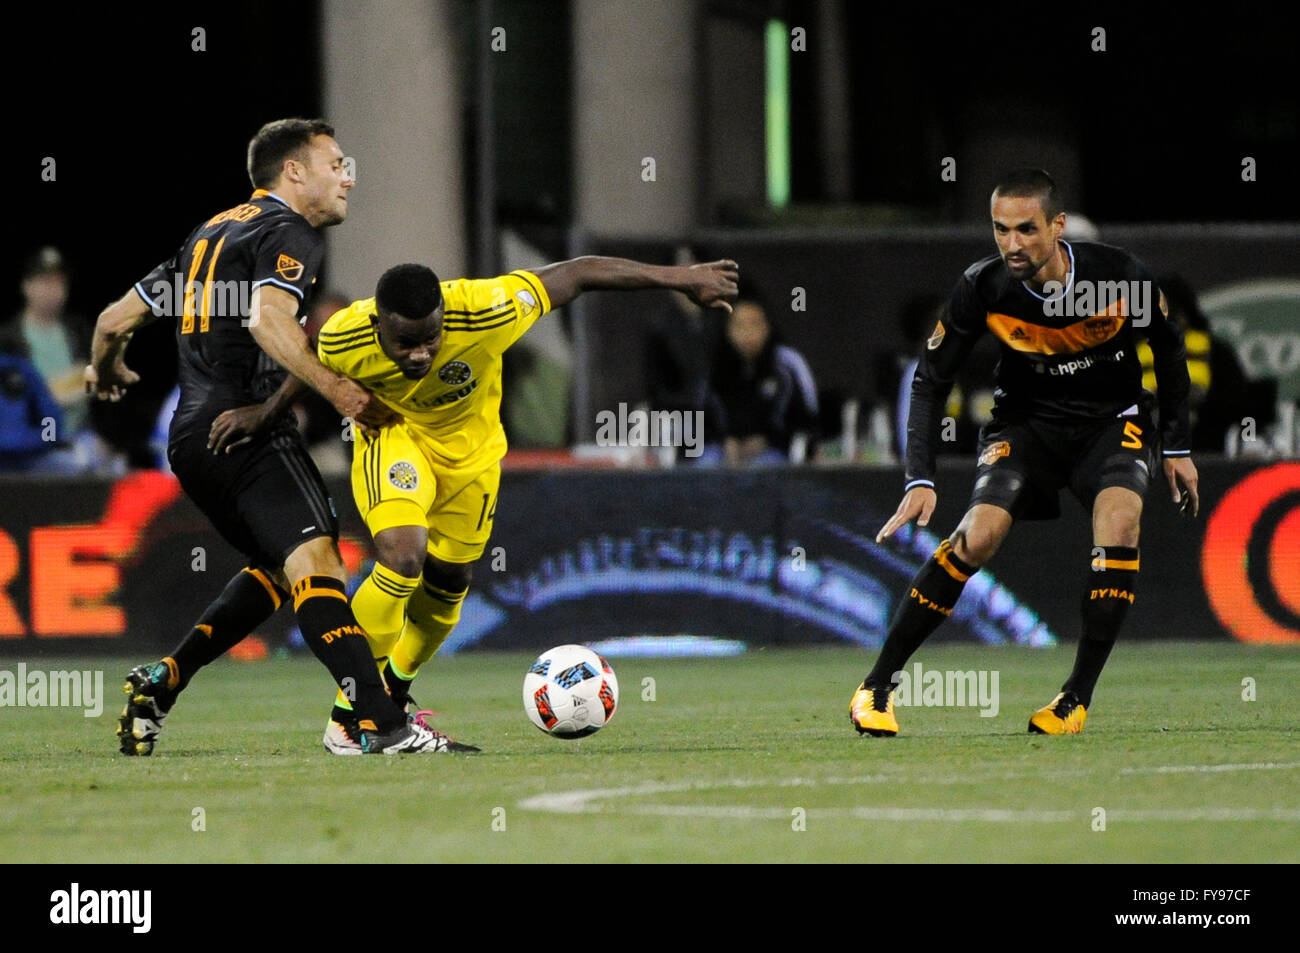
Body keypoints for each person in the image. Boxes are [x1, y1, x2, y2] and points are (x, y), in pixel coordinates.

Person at [208, 255, 739, 752]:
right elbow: (308, 364)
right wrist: (265, 412)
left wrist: (679, 278)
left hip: (474, 456)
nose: (421, 353)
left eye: (431, 339)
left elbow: (578, 273)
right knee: (402, 558)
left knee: (449, 584)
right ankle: (356, 714)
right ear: (377, 328)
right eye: (405, 344)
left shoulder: (486, 308)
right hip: (396, 438)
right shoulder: (346, 331)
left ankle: (392, 690)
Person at [86, 117, 460, 756]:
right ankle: (383, 723)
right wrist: (336, 389)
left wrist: (106, 367)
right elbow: (266, 320)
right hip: (248, 430)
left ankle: (164, 681)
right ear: (294, 171)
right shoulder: (289, 231)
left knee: (278, 569)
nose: (346, 176)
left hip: (191, 442)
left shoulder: (209, 233)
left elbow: (113, 318)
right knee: (319, 564)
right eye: (335, 162)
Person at [851, 169, 1199, 737]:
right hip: (1025, 427)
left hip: (1111, 424)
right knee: (979, 535)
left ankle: (1073, 700)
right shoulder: (982, 287)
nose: (1012, 244)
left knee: (1121, 523)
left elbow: (1168, 343)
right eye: (1000, 229)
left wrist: (1178, 443)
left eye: (1026, 230)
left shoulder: (1119, 276)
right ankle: (876, 686)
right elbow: (930, 380)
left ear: (1057, 227)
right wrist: (920, 476)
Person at [700, 293, 818, 465]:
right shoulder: (715, 366)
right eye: (740, 325)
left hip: (775, 451)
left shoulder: (788, 364)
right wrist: (725, 441)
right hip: (724, 451)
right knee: (706, 463)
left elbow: (807, 421)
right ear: (727, 329)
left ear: (767, 326)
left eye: (755, 324)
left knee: (765, 467)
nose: (747, 333)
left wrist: (767, 440)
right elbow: (701, 419)